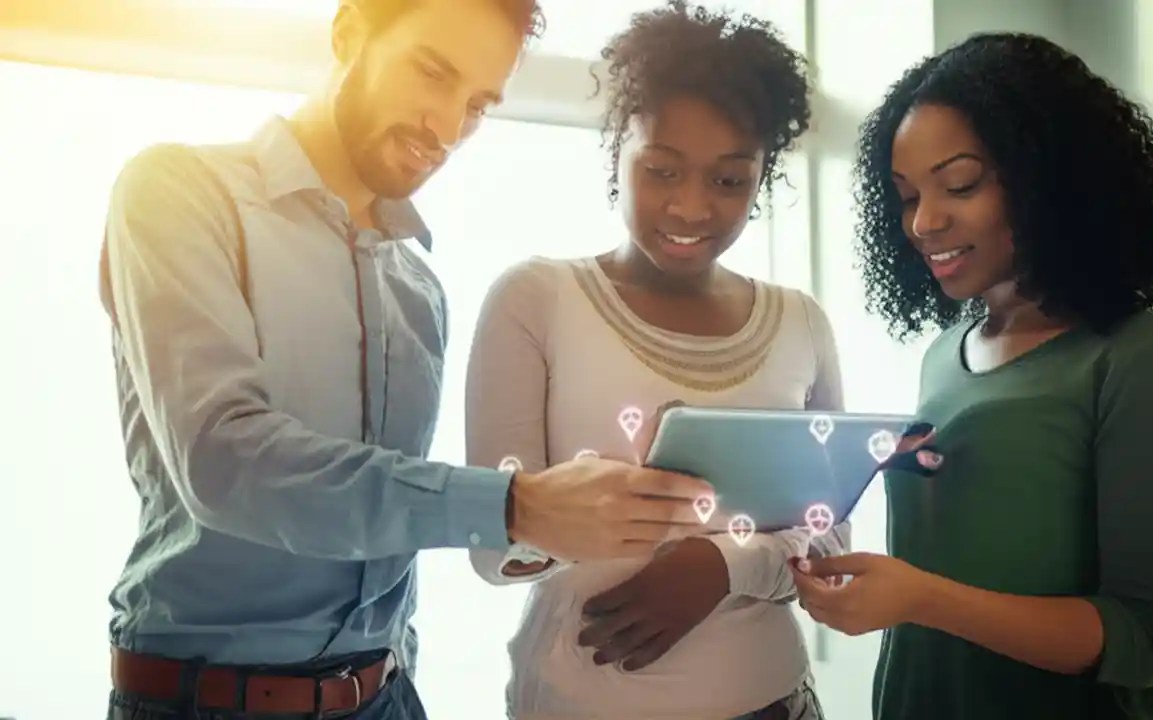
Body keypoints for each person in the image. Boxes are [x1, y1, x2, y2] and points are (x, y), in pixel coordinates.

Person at [98, 1, 714, 717]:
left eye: (478, 105)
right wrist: (517, 505)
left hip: (386, 696)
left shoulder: (418, 288)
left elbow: (386, 528)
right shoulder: (177, 194)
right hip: (201, 702)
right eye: (431, 72)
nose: (447, 129)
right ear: (348, 32)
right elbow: (224, 459)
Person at [789, 32, 1153, 719]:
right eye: (905, 197)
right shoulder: (942, 356)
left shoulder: (1135, 356)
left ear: (1048, 176)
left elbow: (1144, 635)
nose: (924, 222)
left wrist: (920, 597)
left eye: (960, 184)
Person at [464, 3, 841, 718]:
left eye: (729, 181)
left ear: (762, 177)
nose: (692, 208)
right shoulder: (535, 299)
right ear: (617, 153)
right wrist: (577, 514)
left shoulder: (800, 323)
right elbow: (490, 551)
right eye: (662, 170)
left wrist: (720, 566)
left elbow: (830, 531)